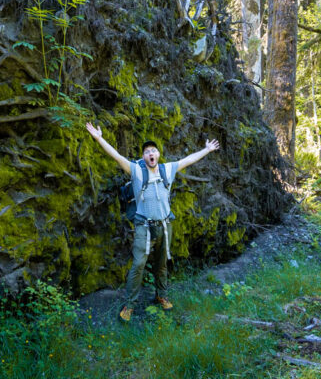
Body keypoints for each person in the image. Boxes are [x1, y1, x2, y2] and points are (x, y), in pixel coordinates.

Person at [85, 122, 220, 321]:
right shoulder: (137, 171)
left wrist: (206, 150)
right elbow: (116, 156)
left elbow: (188, 160)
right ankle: (130, 305)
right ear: (143, 157)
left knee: (161, 263)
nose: (151, 154)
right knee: (139, 263)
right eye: (147, 151)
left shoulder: (167, 169)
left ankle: (162, 295)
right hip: (143, 226)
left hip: (165, 225)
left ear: (158, 155)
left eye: (153, 151)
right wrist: (99, 138)